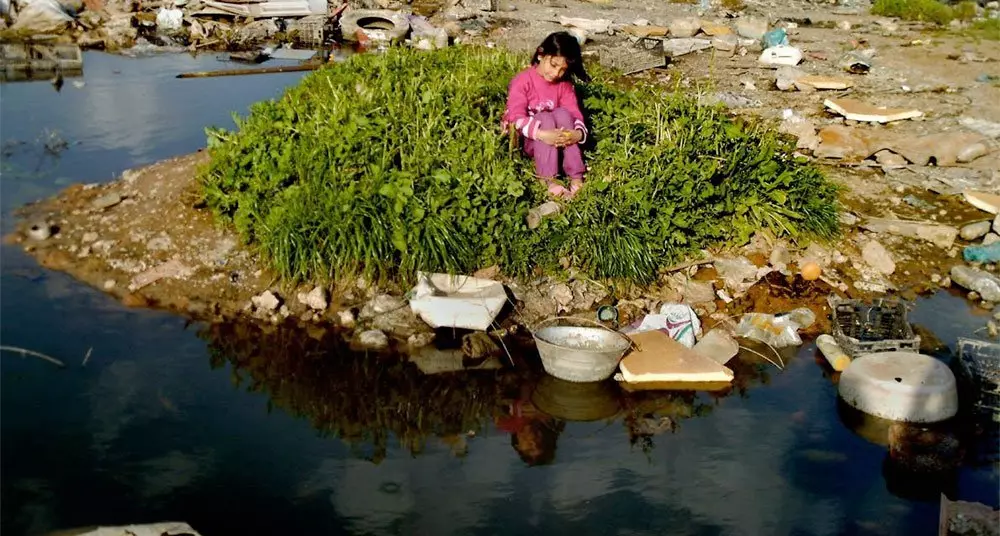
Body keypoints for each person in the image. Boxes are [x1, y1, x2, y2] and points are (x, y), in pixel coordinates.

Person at [503, 32, 591, 199]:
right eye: (553, 65)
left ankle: (576, 176)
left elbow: (575, 114)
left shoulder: (564, 85)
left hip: (557, 140)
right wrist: (542, 134)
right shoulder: (523, 81)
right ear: (541, 54)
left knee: (564, 113)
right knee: (544, 118)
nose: (556, 73)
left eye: (563, 69)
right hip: (531, 140)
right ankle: (548, 180)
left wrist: (577, 134)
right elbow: (515, 118)